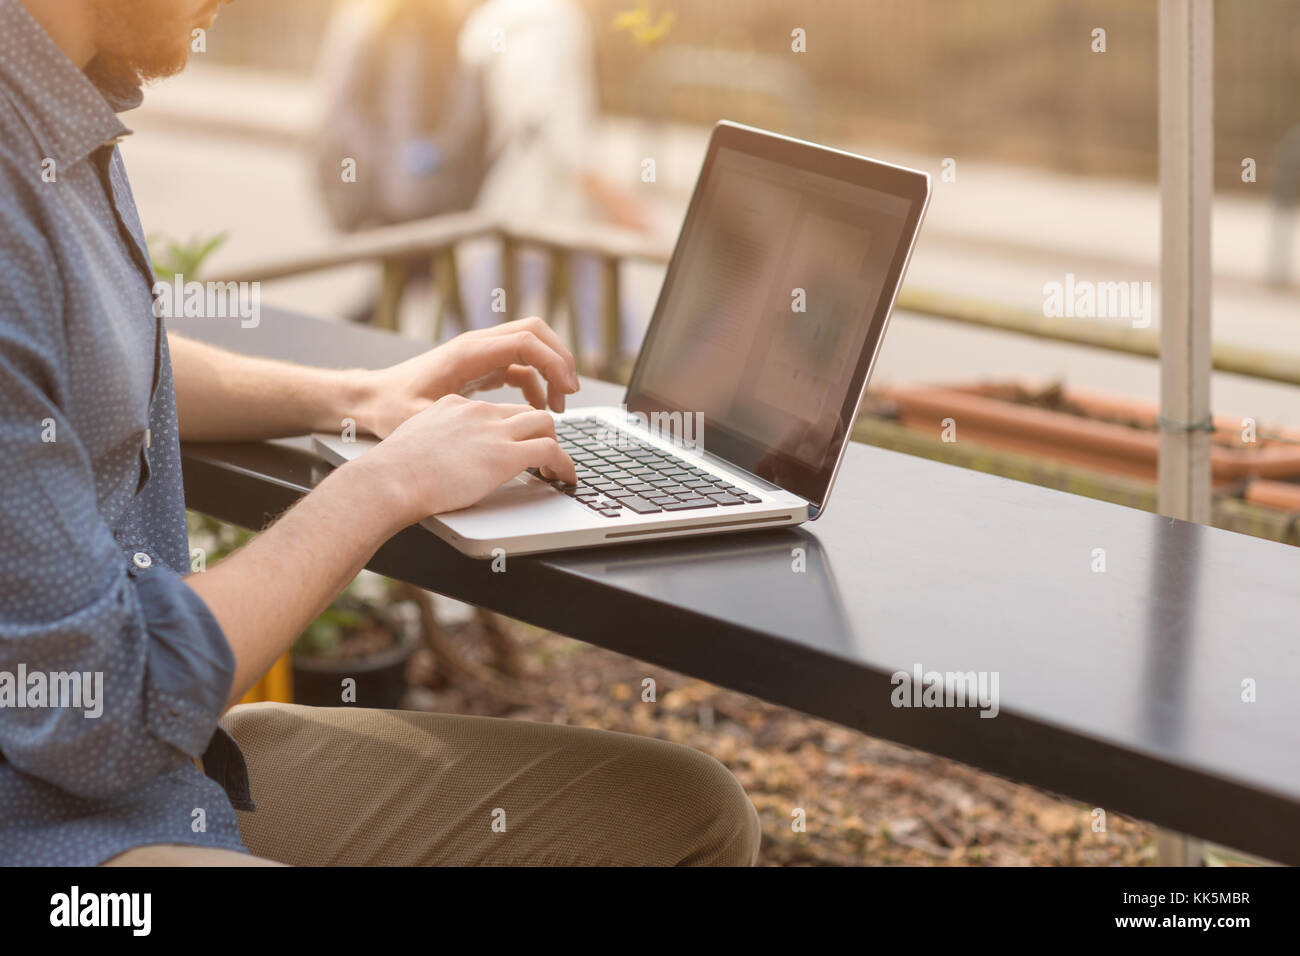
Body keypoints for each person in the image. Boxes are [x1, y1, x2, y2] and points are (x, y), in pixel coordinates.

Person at [0, 0, 760, 866]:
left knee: (687, 813)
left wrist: (359, 394)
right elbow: (104, 710)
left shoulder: (53, 100)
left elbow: (88, 349)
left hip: (159, 776)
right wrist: (381, 485)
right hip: (58, 830)